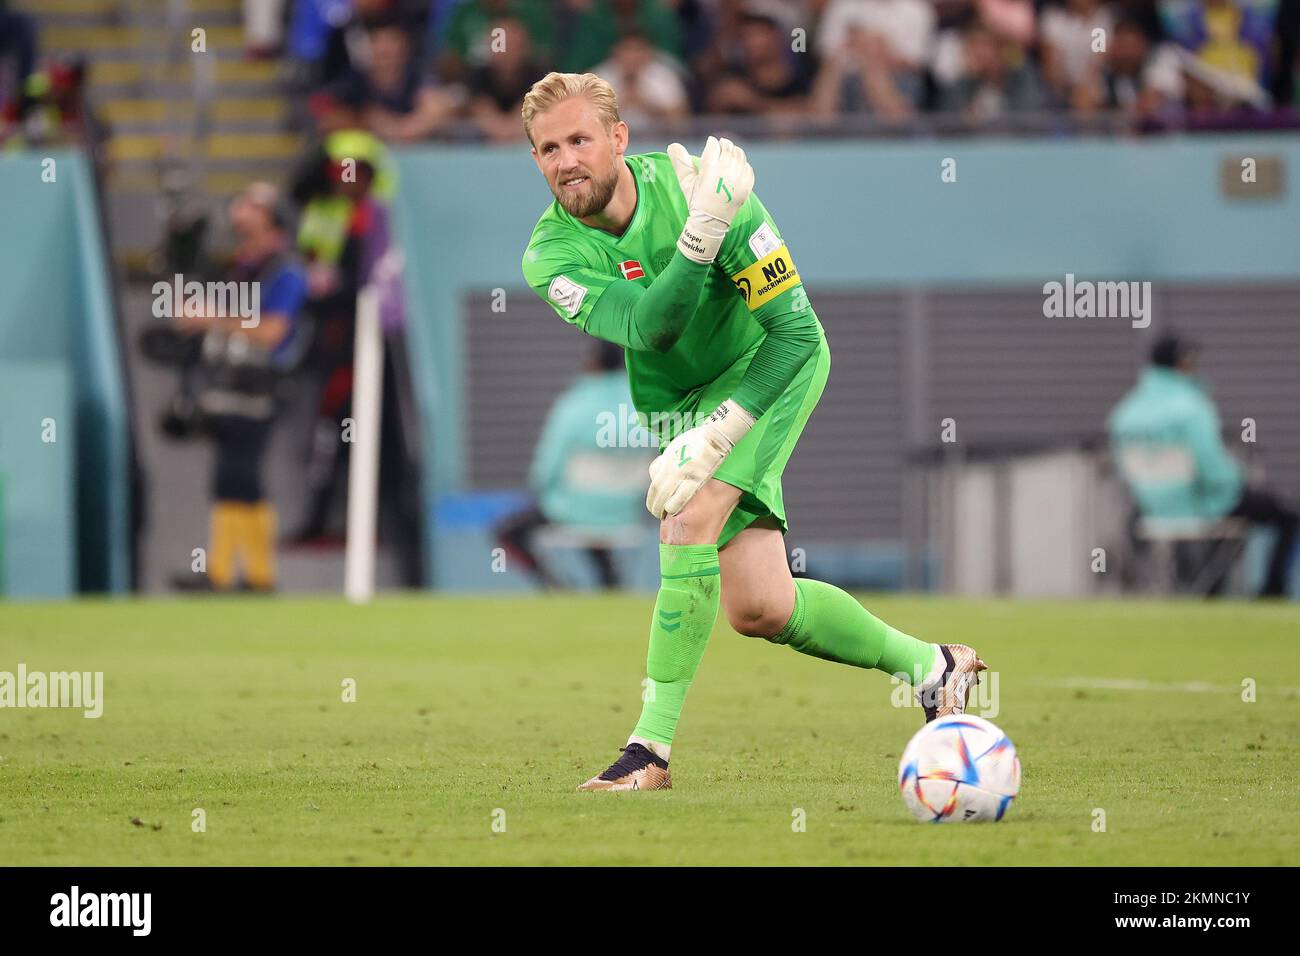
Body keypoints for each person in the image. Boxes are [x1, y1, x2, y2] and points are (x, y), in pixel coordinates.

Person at [519, 72, 986, 791]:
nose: (566, 161)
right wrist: (698, 242)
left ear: (619, 138)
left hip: (770, 367)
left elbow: (797, 332)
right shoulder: (551, 255)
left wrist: (726, 425)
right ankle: (935, 668)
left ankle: (648, 753)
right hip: (680, 403)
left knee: (686, 521)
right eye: (548, 148)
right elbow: (652, 326)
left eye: (580, 139)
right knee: (761, 607)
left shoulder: (714, 189)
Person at [172, 183, 307, 593]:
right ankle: (238, 571)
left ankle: (247, 573)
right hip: (230, 383)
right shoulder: (244, 266)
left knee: (241, 474)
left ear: (273, 218)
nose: (240, 210)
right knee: (231, 477)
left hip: (261, 387)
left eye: (253, 205)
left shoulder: (285, 270)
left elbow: (271, 333)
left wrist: (214, 319)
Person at [1109, 333, 1298, 597]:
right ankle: (1271, 593)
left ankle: (1210, 591)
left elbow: (1123, 468)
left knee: (1224, 518)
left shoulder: (1125, 413)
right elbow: (1212, 469)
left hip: (1150, 509)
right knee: (1285, 515)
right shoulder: (1192, 406)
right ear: (1182, 364)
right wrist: (1239, 479)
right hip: (1198, 504)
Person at [495, 340, 652, 589]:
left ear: (592, 364)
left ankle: (553, 586)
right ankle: (610, 583)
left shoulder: (573, 405)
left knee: (506, 531)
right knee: (594, 523)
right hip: (625, 511)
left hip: (571, 510)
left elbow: (544, 472)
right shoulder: (643, 402)